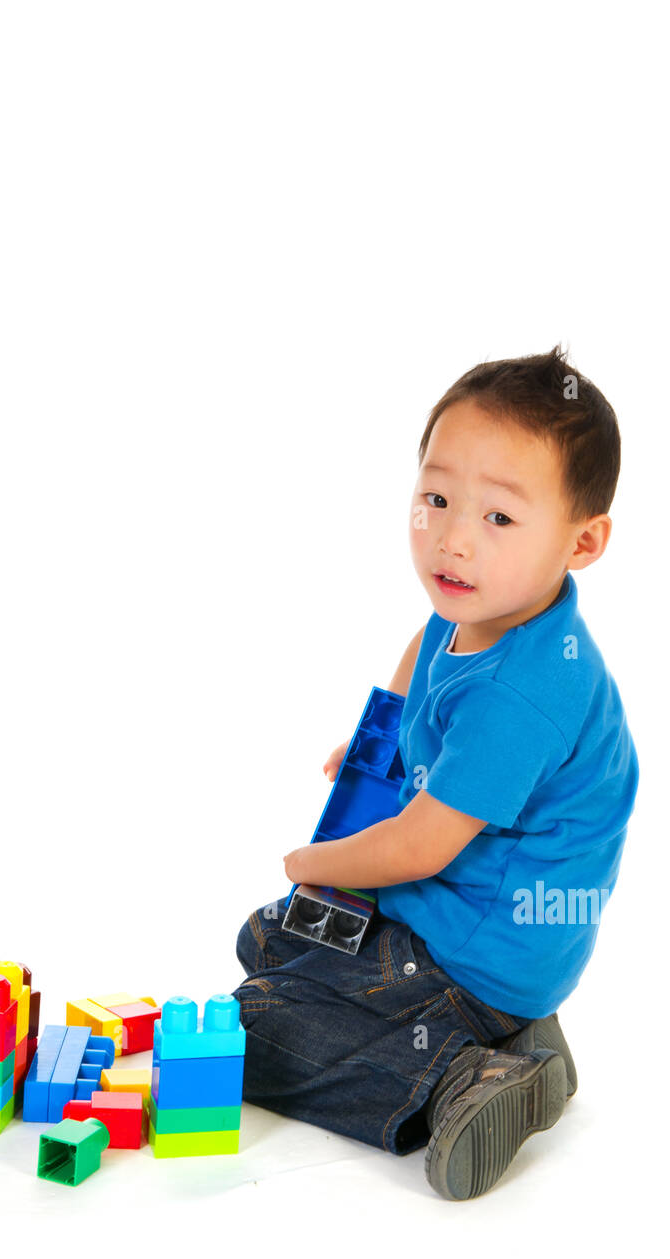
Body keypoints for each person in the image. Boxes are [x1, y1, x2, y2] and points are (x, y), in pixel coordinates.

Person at [233, 345, 639, 1200]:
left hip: (475, 954)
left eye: (499, 518)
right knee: (268, 938)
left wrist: (314, 864)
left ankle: (469, 1075)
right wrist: (382, 739)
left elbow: (416, 848)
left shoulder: (524, 692)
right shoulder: (483, 606)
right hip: (455, 915)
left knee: (249, 1031)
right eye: (438, 498)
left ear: (584, 540)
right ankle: (515, 1039)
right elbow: (424, 655)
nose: (453, 537)